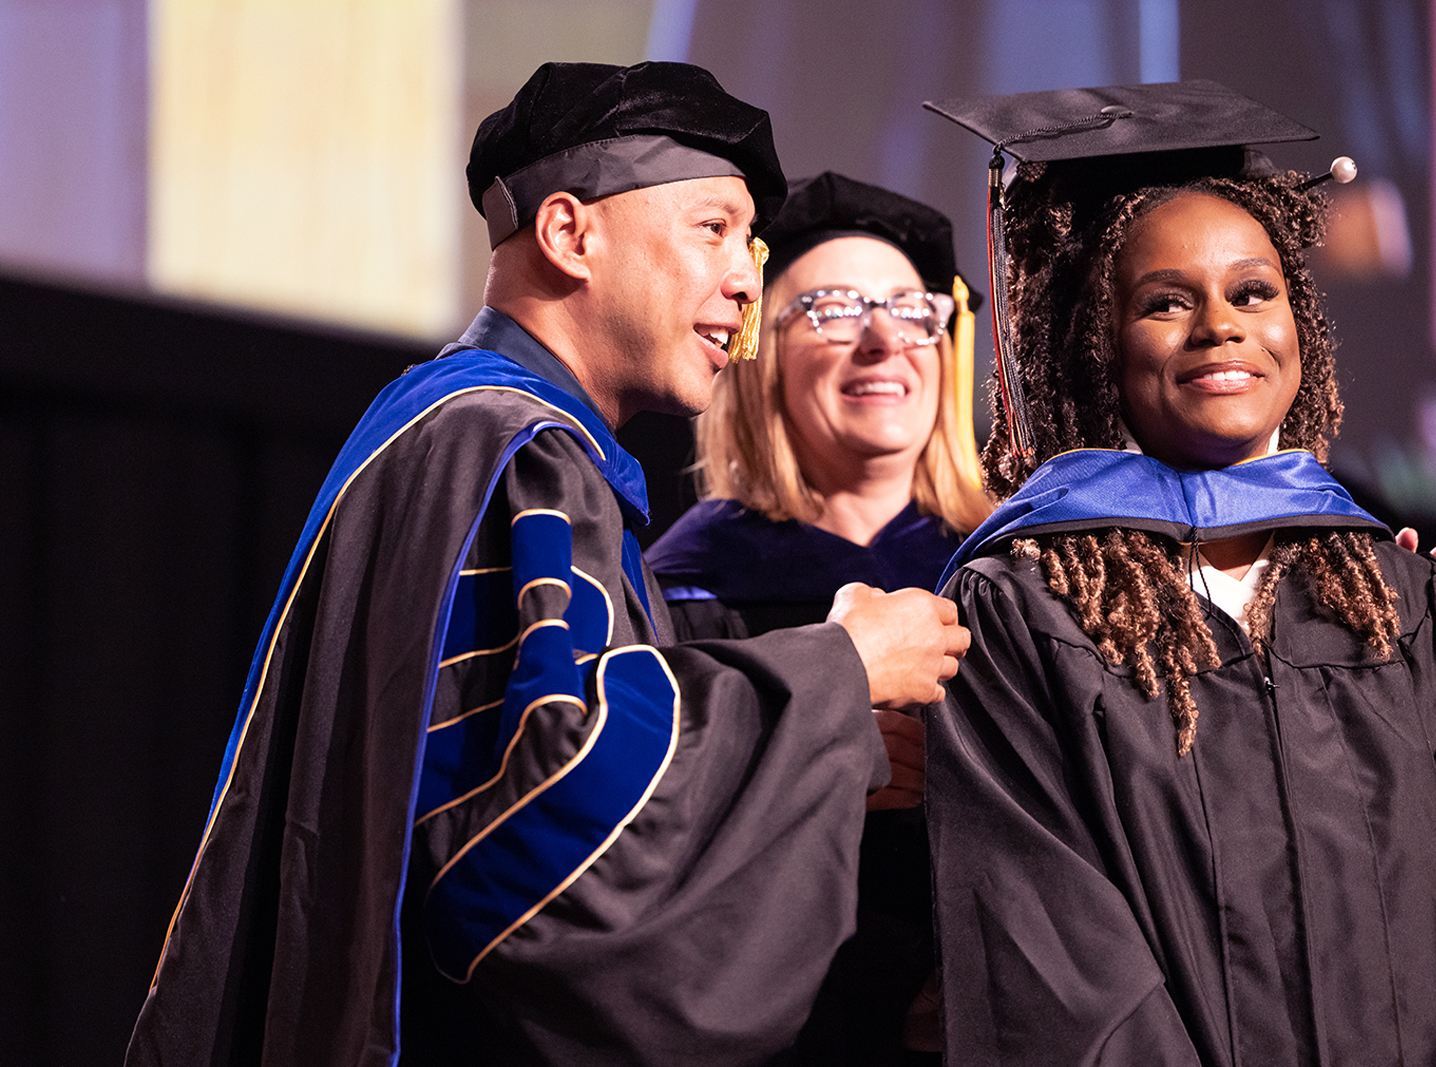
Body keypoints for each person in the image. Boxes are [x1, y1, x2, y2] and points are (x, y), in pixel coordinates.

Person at [123, 61, 969, 1067]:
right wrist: (840, 670)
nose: (746, 277)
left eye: (746, 244)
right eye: (711, 229)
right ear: (570, 233)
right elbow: (549, 819)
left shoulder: (443, 427)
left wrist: (821, 751)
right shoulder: (511, 449)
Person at [923, 81, 1436, 1066]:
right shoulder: (1025, 604)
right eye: (1165, 301)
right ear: (1097, 341)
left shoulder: (1395, 595)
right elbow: (1049, 960)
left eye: (1252, 292)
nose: (1220, 325)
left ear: (1298, 319)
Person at [646, 172, 992, 1065]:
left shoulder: (1020, 578)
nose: (883, 340)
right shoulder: (682, 589)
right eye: (833, 309)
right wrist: (819, 753)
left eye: (914, 311)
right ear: (758, 349)